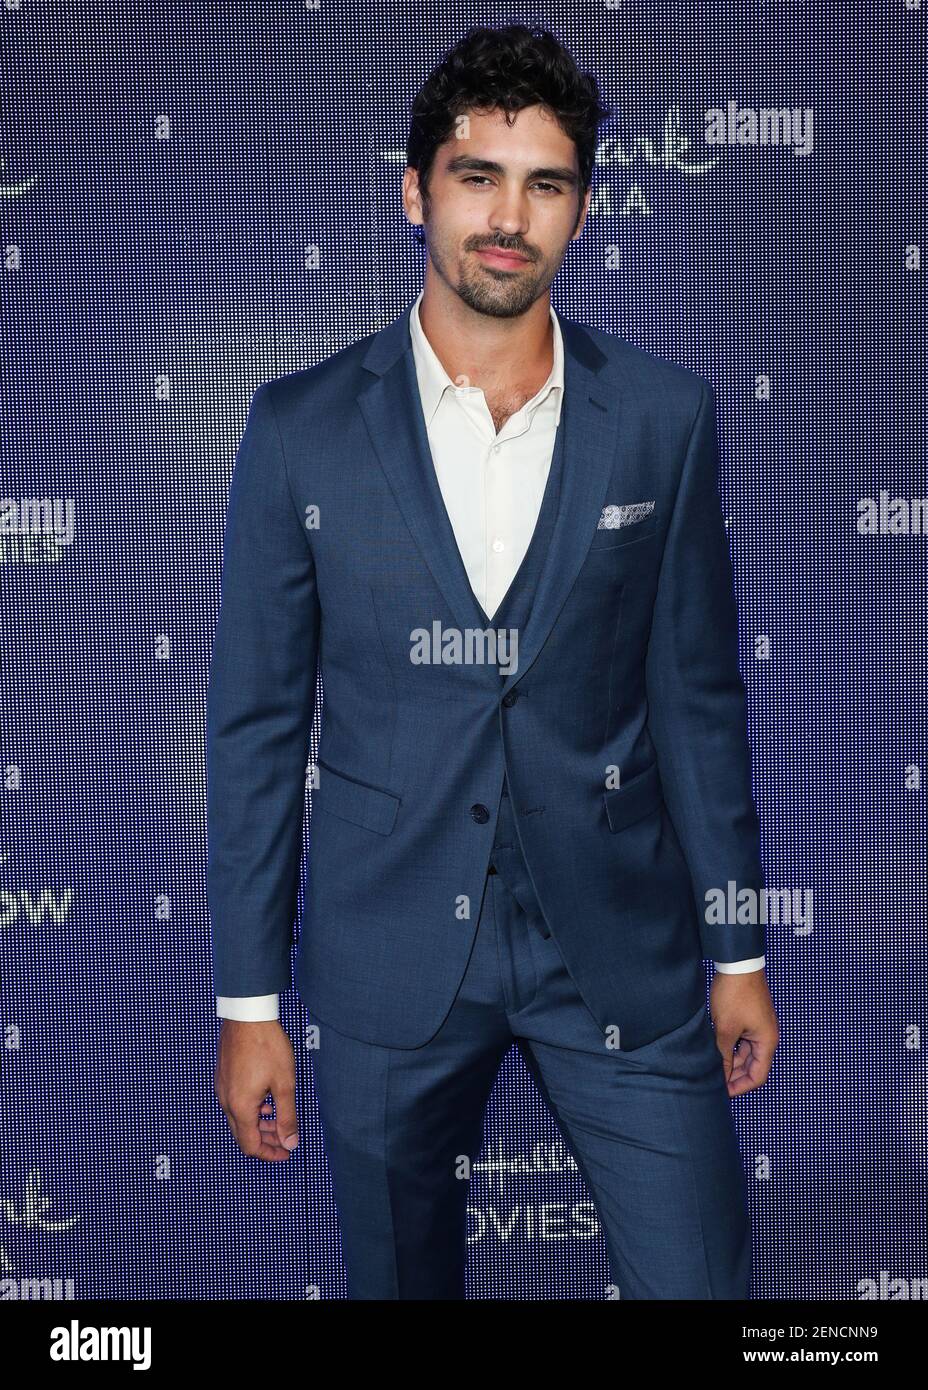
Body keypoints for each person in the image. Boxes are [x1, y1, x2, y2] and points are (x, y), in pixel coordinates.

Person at [207, 23, 779, 1299]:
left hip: (620, 950)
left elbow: (694, 700)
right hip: (388, 956)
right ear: (417, 192)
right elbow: (255, 728)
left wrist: (737, 950)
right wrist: (249, 1007)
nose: (510, 218)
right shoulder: (299, 428)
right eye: (478, 176)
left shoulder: (664, 417)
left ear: (582, 208)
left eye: (546, 183)